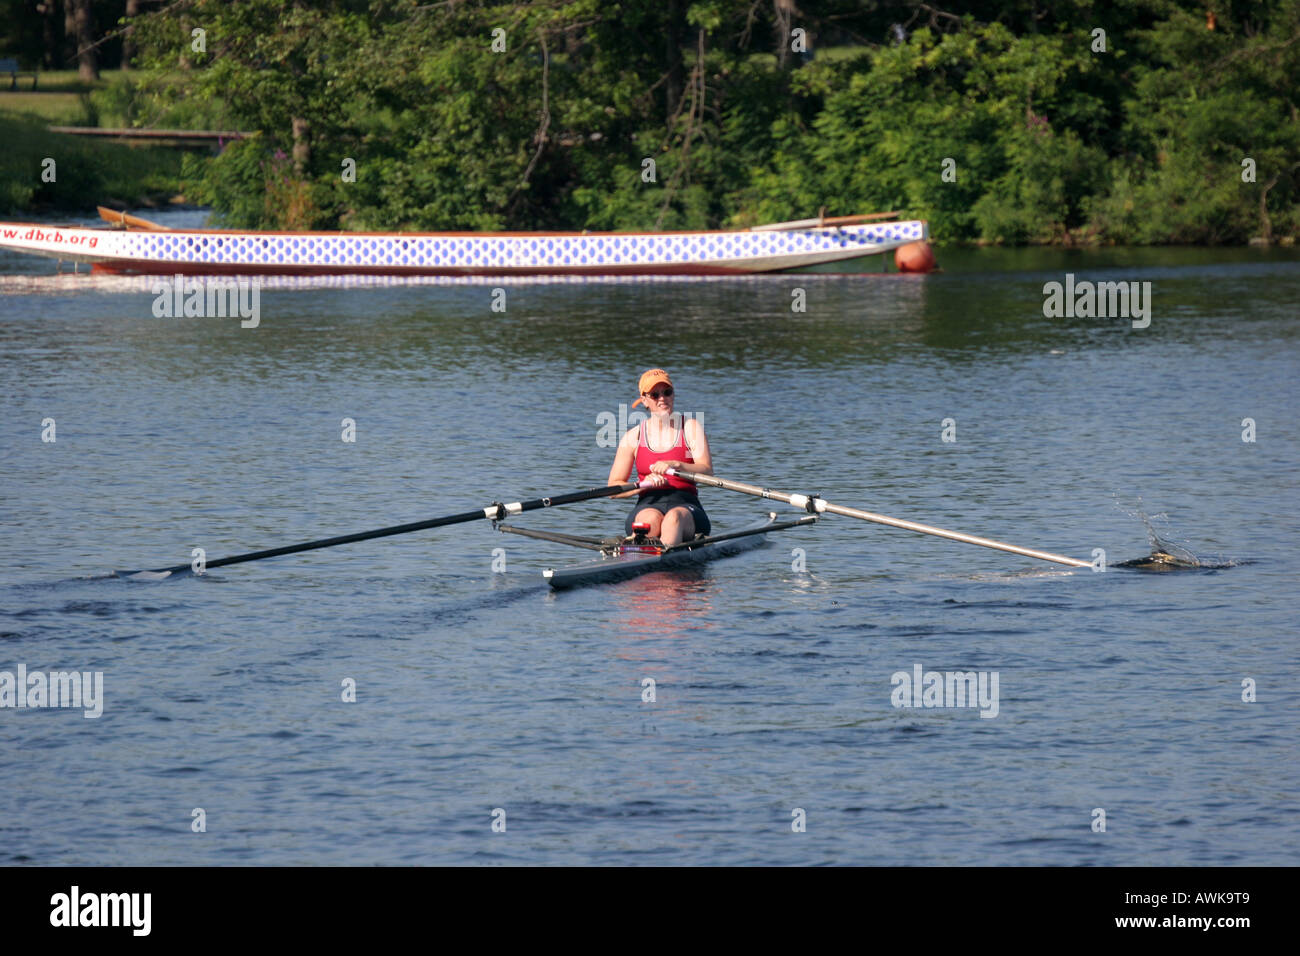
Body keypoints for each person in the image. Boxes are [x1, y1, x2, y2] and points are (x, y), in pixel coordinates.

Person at [606, 368, 713, 547]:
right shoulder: (632, 437)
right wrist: (642, 485)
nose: (662, 398)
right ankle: (641, 553)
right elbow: (612, 488)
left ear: (673, 395)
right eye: (655, 394)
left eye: (667, 392)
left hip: (686, 504)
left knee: (673, 519)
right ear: (645, 401)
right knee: (650, 520)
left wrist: (677, 464)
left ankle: (661, 561)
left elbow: (707, 470)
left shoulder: (691, 427)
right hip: (648, 502)